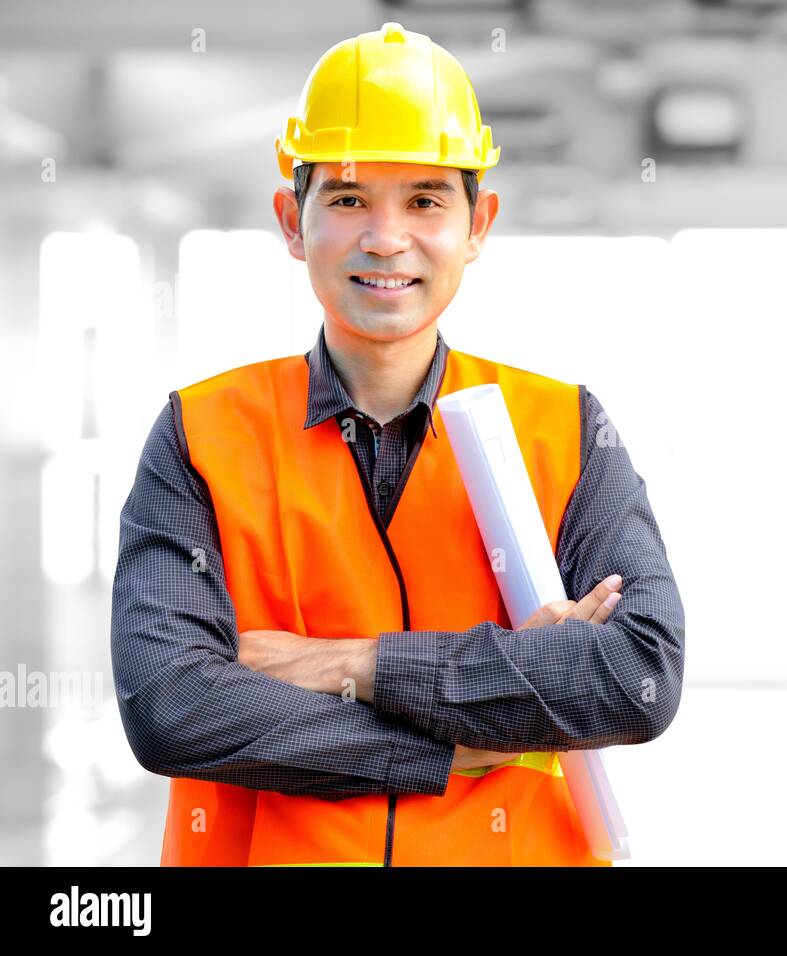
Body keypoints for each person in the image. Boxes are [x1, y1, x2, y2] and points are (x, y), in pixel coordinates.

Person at [109, 22, 685, 866]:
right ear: (292, 221)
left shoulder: (564, 428)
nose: (385, 237)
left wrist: (345, 663)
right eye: (347, 199)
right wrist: (455, 742)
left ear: (477, 223)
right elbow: (172, 707)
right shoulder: (200, 433)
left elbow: (637, 677)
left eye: (424, 200)